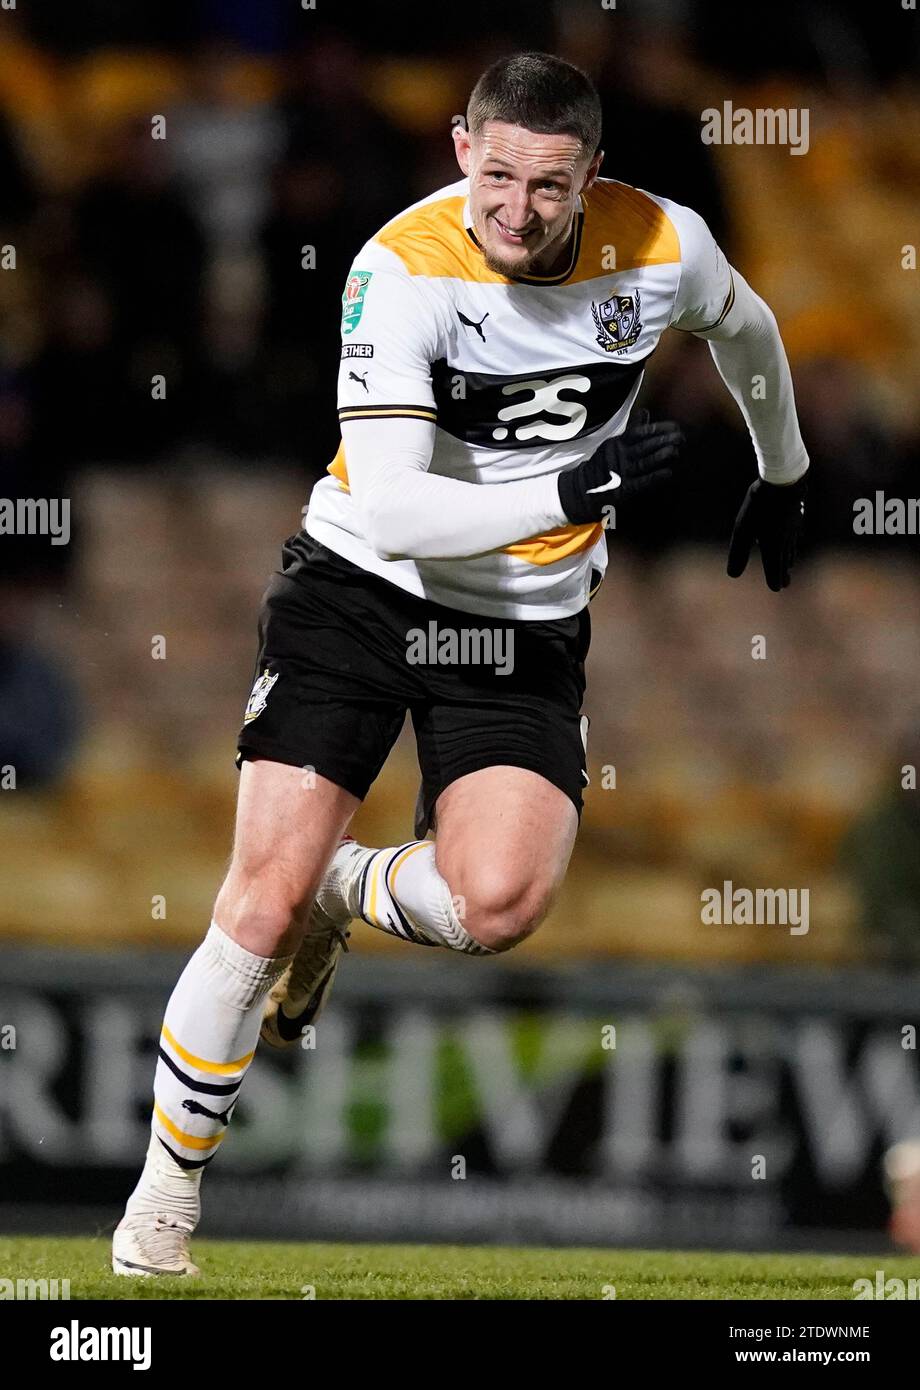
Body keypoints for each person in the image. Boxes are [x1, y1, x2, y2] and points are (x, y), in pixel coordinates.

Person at [113, 51, 808, 1276]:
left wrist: (784, 467)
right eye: (495, 175)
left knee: (498, 904)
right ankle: (161, 1210)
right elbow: (386, 510)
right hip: (358, 594)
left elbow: (746, 329)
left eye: (548, 186)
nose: (515, 210)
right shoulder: (400, 270)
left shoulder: (661, 244)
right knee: (253, 896)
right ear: (458, 149)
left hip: (524, 626)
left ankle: (348, 888)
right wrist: (572, 482)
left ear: (591, 174)